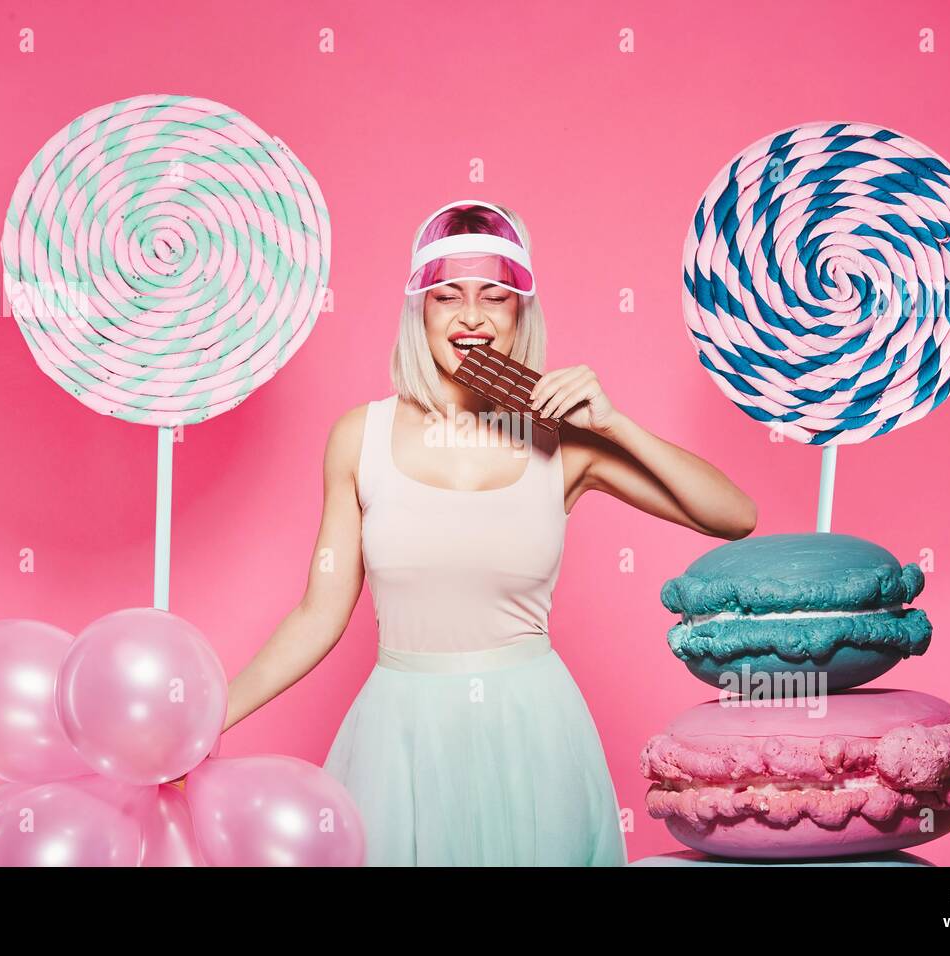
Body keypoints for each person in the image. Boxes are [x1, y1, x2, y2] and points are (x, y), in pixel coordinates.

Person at [222, 199, 757, 865]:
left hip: (532, 735)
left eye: (495, 297)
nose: (470, 316)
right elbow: (317, 612)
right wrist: (209, 718)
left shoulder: (564, 441)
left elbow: (733, 515)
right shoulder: (359, 438)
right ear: (420, 311)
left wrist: (614, 423)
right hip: (401, 739)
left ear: (519, 314)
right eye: (447, 296)